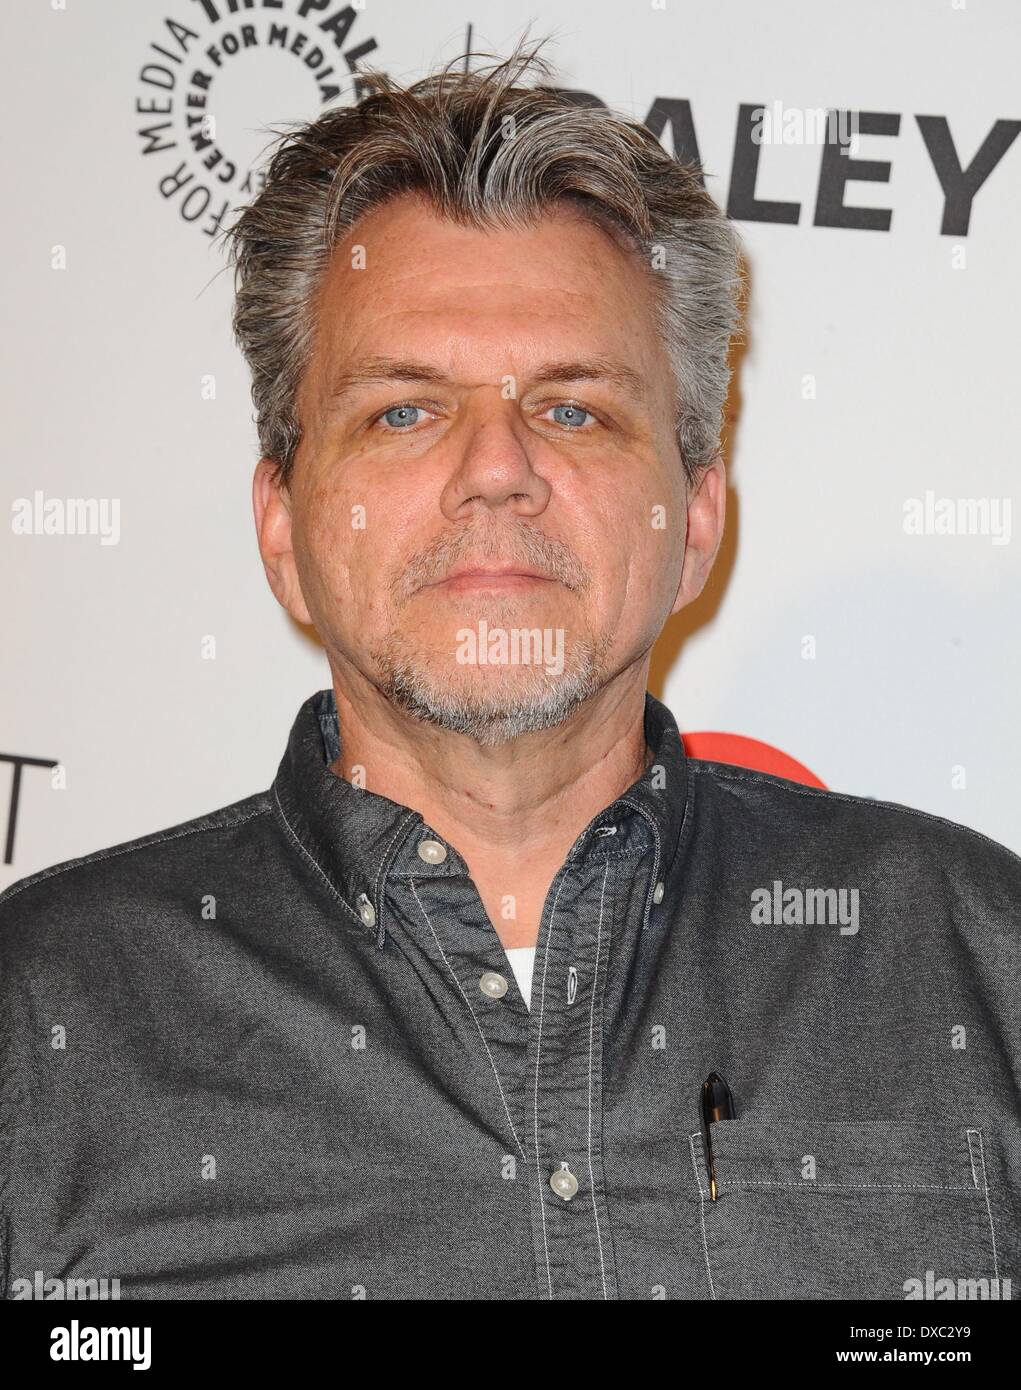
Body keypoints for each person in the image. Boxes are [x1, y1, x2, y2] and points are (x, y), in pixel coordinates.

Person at [1, 42, 1018, 1302]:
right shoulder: (35, 1024)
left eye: (575, 408)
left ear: (695, 519)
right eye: (404, 410)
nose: (497, 468)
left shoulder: (980, 958)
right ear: (282, 527)